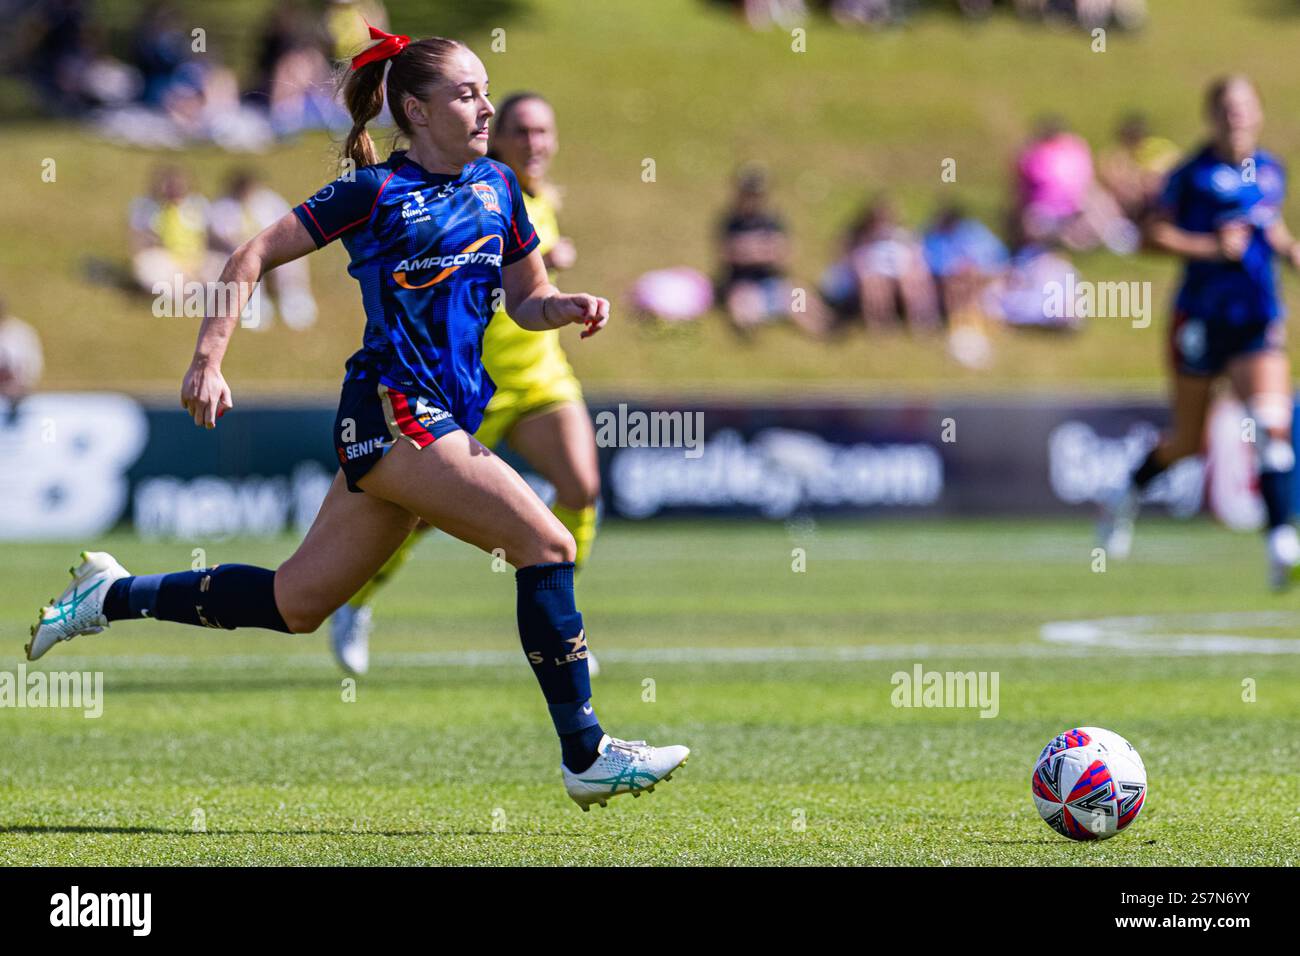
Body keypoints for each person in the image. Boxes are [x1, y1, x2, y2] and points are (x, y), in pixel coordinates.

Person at [26, 28, 689, 810]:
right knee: (544, 540)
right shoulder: (374, 191)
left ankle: (110, 595)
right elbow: (250, 256)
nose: (485, 108)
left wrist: (563, 307)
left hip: (434, 416)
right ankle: (587, 752)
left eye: (485, 91)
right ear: (415, 108)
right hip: (394, 411)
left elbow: (524, 297)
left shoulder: (500, 188)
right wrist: (208, 359)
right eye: (467, 94)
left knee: (295, 604)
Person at [328, 92, 602, 678]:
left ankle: (563, 625)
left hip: (538, 378)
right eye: (522, 131)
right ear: (497, 139)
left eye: (544, 131)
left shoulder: (532, 199)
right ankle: (355, 602)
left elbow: (532, 271)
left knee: (581, 485)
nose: (535, 143)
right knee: (419, 517)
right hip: (461, 383)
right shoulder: (473, 192)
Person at [1098, 75, 1300, 589]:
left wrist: (1288, 248)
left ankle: (1281, 545)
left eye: (1244, 106)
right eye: (1227, 108)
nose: (1237, 116)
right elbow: (1150, 237)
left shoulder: (1270, 168)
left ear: (1257, 113)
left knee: (1272, 428)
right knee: (1188, 442)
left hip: (1257, 317)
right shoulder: (1191, 174)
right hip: (1201, 319)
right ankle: (1126, 494)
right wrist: (1211, 248)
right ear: (1212, 116)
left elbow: (1268, 223)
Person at [209, 169, 318, 330]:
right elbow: (217, 236)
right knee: (244, 267)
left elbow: (290, 224)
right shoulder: (222, 206)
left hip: (272, 249)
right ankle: (254, 303)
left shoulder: (270, 201)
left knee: (290, 264)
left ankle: (294, 299)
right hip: (238, 252)